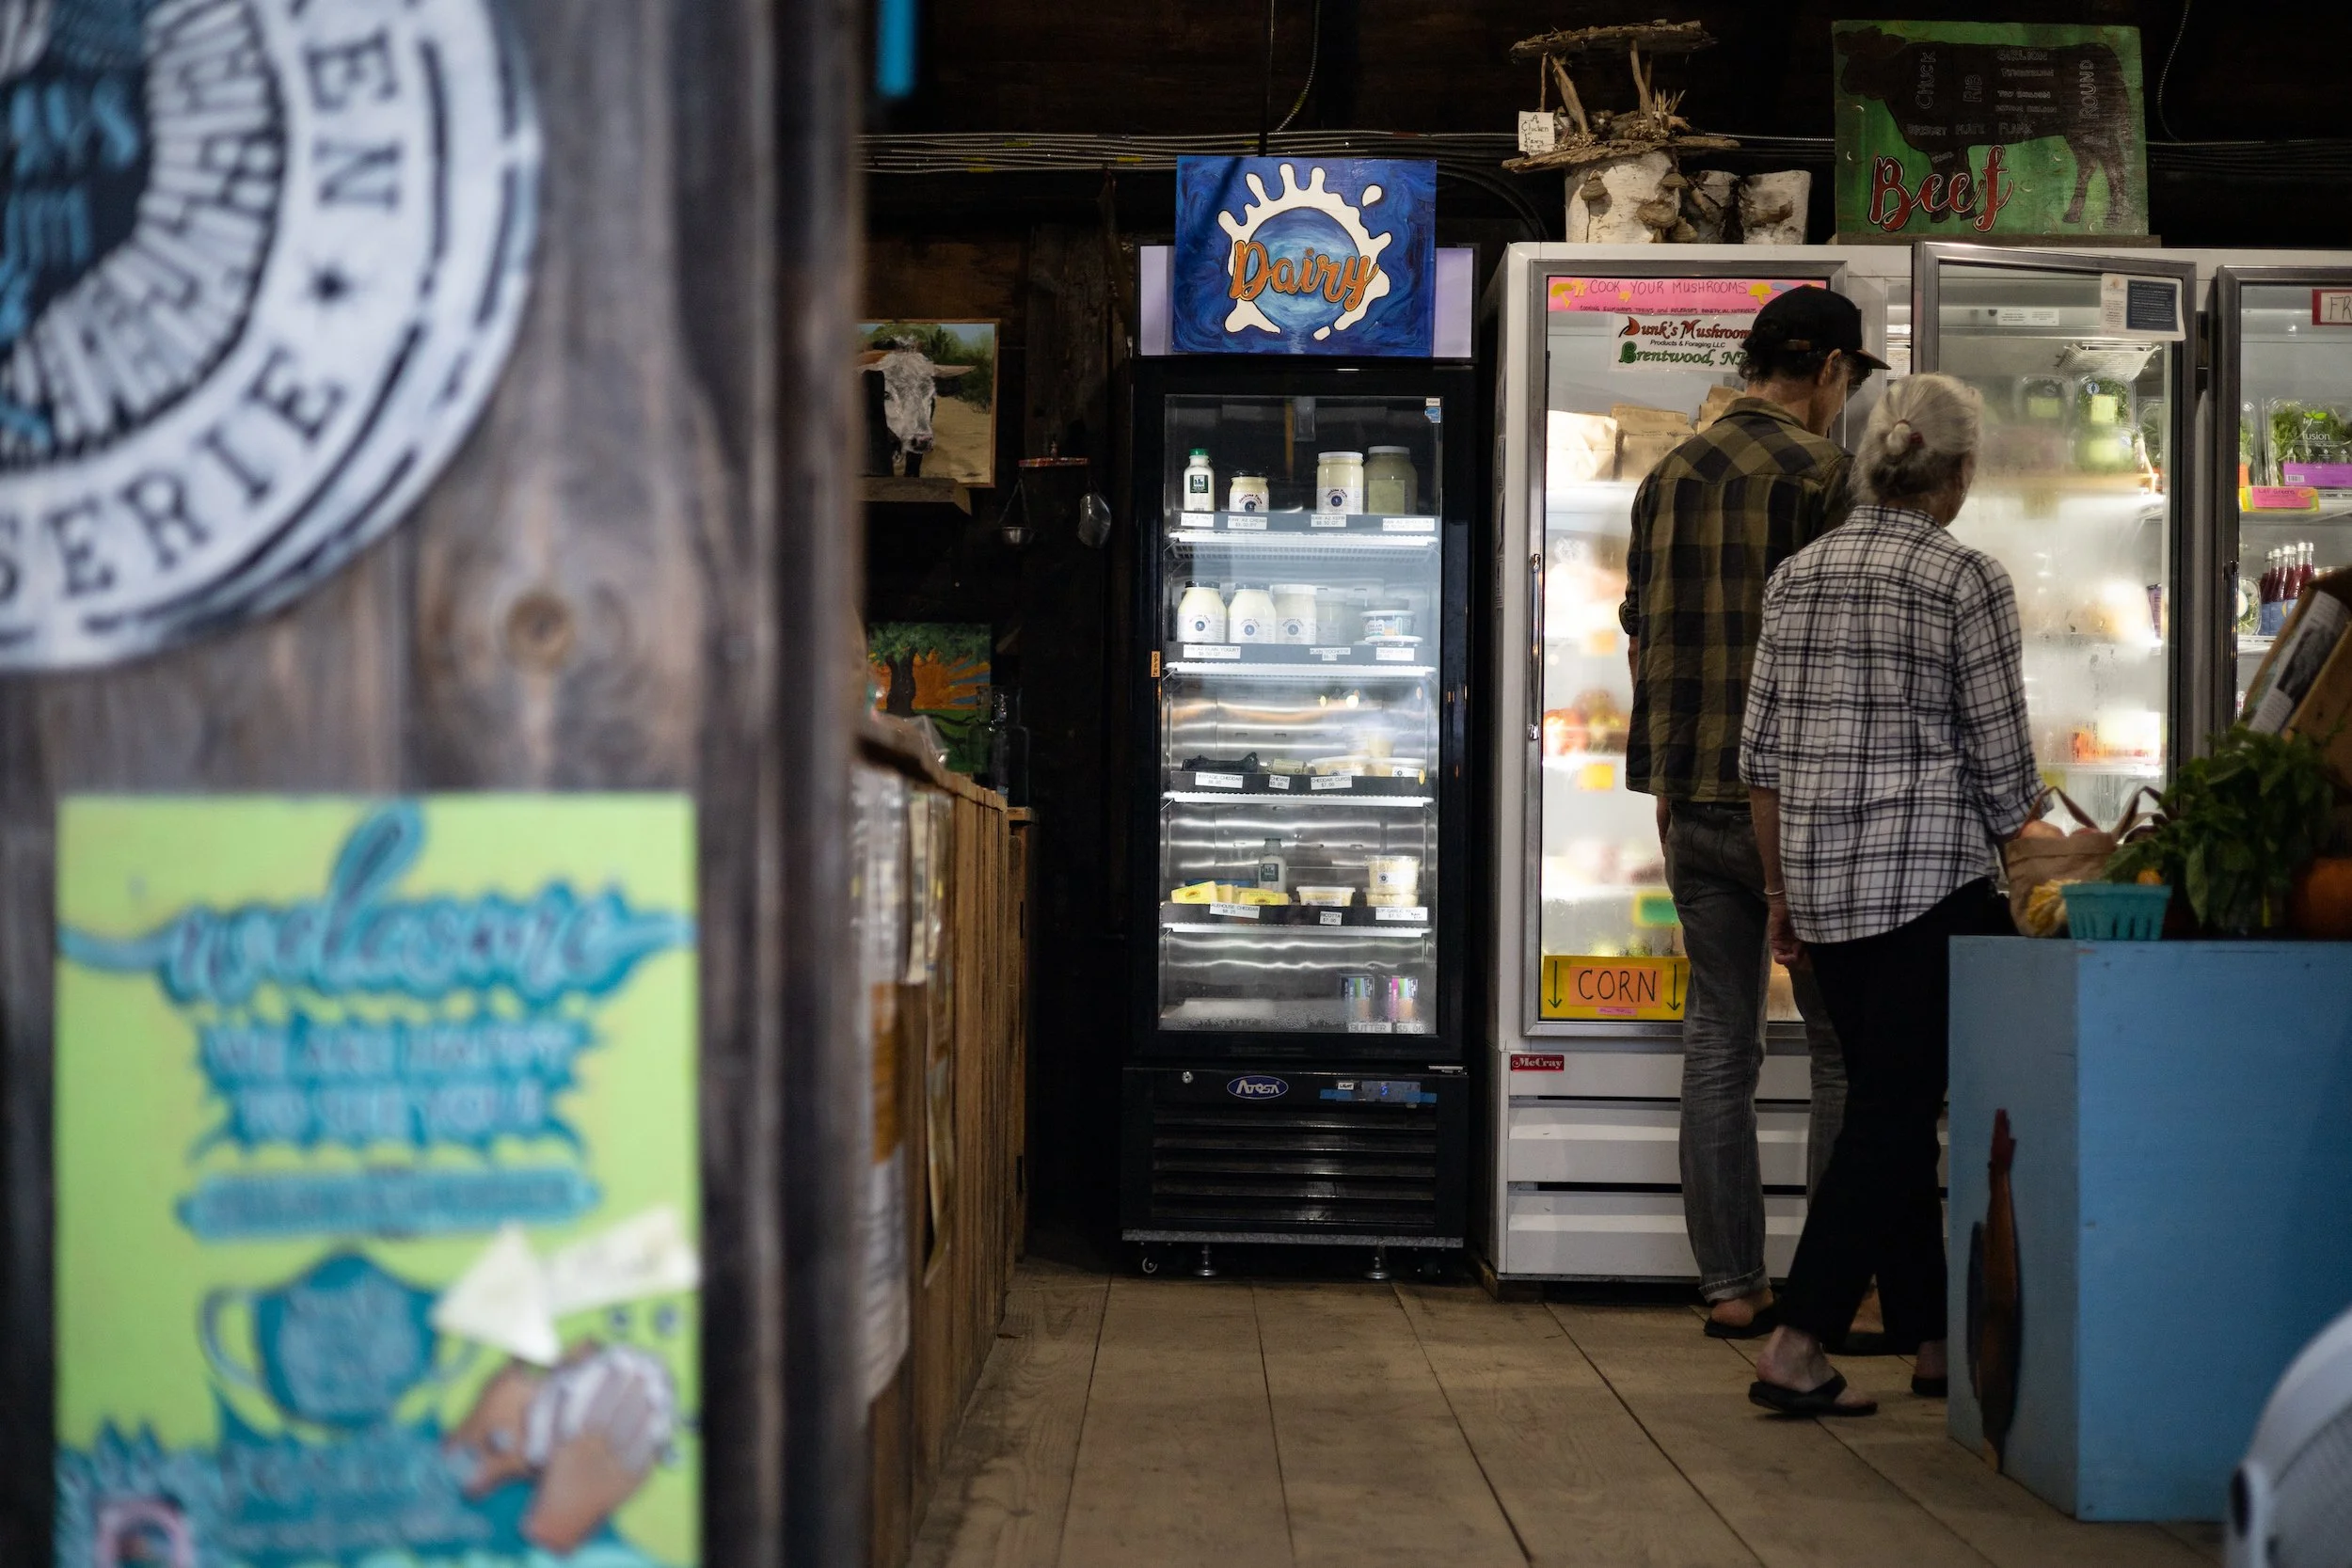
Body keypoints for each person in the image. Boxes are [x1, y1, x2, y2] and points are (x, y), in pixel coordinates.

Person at [1740, 373, 2041, 1417]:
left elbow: (1761, 761)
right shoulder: (1966, 578)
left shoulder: (1796, 577)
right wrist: (2048, 868)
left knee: (1891, 1112)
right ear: (1957, 475)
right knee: (1892, 1113)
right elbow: (2003, 770)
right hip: (1931, 884)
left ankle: (1927, 1336)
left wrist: (1779, 890)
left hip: (1823, 884)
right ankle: (1797, 1337)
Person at [1619, 286, 1886, 1338]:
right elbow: (1842, 652)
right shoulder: (1827, 474)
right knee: (1837, 1052)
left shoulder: (1666, 473)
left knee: (1717, 1043)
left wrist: (1668, 786)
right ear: (1824, 367)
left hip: (1691, 798)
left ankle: (1731, 1284)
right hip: (1801, 810)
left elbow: (1641, 638)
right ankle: (1834, 1286)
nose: (1844, 398)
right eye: (1849, 379)